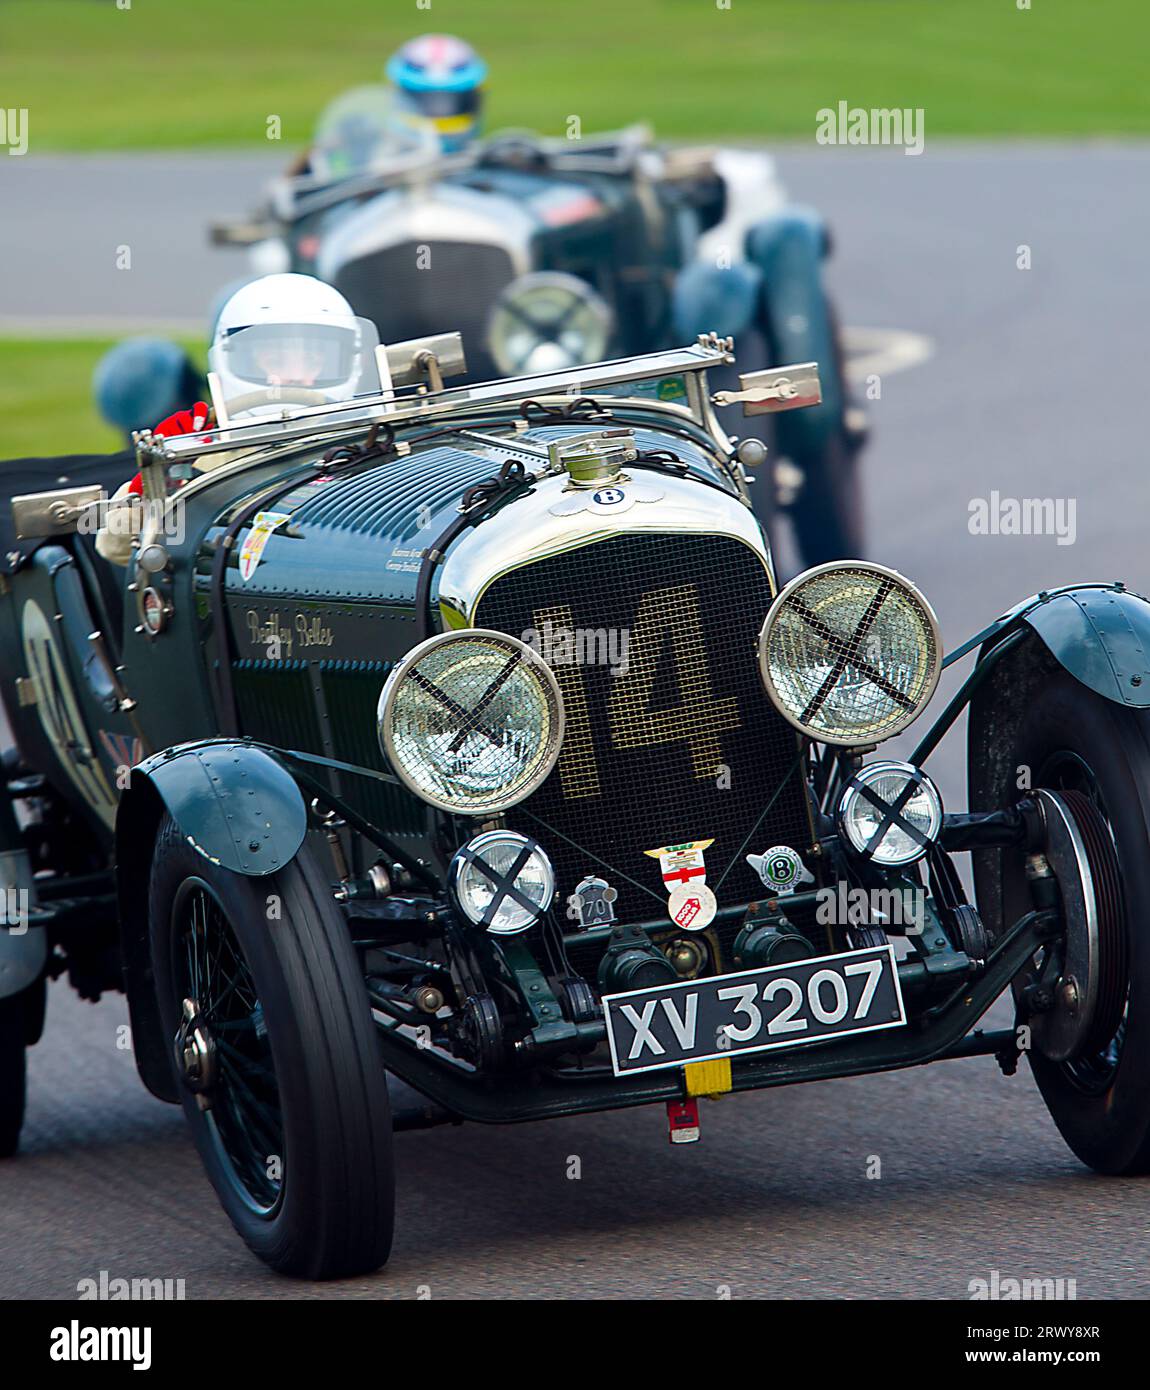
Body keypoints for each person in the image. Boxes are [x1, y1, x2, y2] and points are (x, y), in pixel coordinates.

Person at [95, 273, 365, 566]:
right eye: (276, 360)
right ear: (233, 357)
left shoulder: (373, 438)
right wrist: (161, 492)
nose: (296, 375)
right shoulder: (202, 451)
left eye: (312, 360)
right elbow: (115, 544)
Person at [385, 34, 486, 154]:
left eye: (447, 99)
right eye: (426, 100)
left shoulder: (484, 163)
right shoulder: (377, 160)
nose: (438, 113)